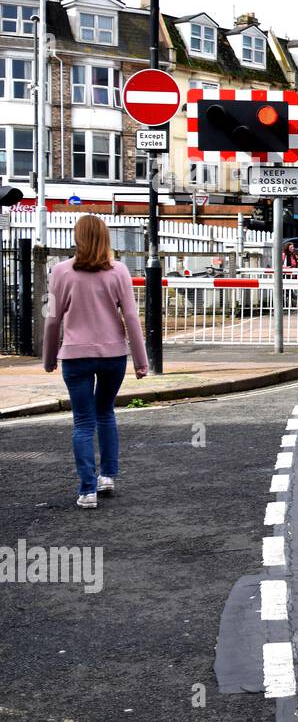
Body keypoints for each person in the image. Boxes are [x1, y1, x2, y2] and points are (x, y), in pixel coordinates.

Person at [42, 216, 148, 508]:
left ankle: (87, 491)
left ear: (77, 238)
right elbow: (130, 318)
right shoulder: (119, 271)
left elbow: (52, 320)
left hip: (75, 357)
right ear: (105, 238)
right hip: (113, 356)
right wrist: (141, 361)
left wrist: (49, 357)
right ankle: (108, 476)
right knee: (106, 413)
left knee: (83, 422)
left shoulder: (60, 272)